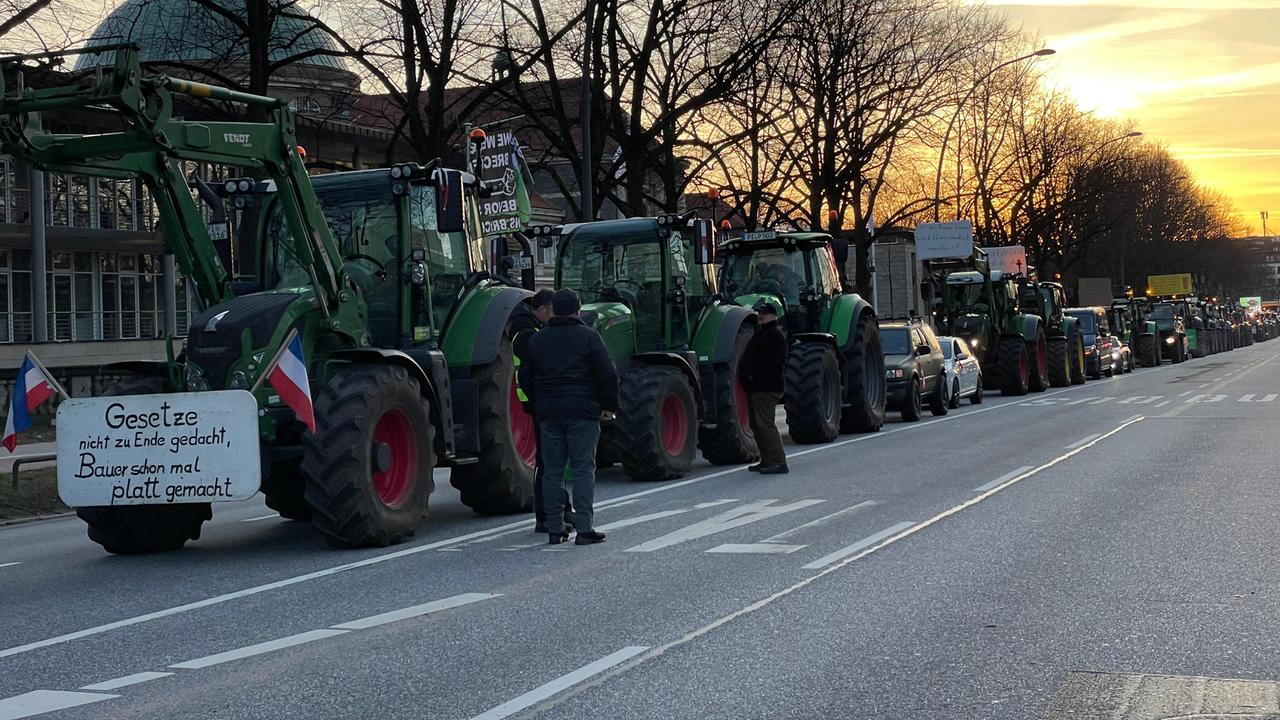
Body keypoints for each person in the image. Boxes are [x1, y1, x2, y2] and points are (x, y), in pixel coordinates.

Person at [521, 289, 620, 545]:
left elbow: (525, 377)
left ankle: (555, 528)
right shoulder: (588, 336)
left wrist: (537, 403)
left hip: (549, 414)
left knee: (552, 472)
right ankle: (585, 528)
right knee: (583, 469)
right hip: (582, 412)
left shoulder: (538, 340)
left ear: (554, 310)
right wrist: (608, 406)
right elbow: (607, 373)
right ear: (578, 311)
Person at [511, 289, 572, 534]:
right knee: (548, 463)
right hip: (540, 403)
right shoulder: (528, 334)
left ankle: (559, 509)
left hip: (540, 402)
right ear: (545, 310)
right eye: (554, 313)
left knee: (551, 461)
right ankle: (547, 515)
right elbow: (533, 371)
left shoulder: (529, 329)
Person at [740, 300, 788, 474]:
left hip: (766, 387)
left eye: (764, 313)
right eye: (759, 313)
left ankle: (778, 461)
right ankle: (767, 459)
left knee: (765, 424)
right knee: (756, 424)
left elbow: (774, 363)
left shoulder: (774, 334)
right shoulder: (763, 333)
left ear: (773, 316)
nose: (760, 316)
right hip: (757, 387)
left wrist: (754, 375)